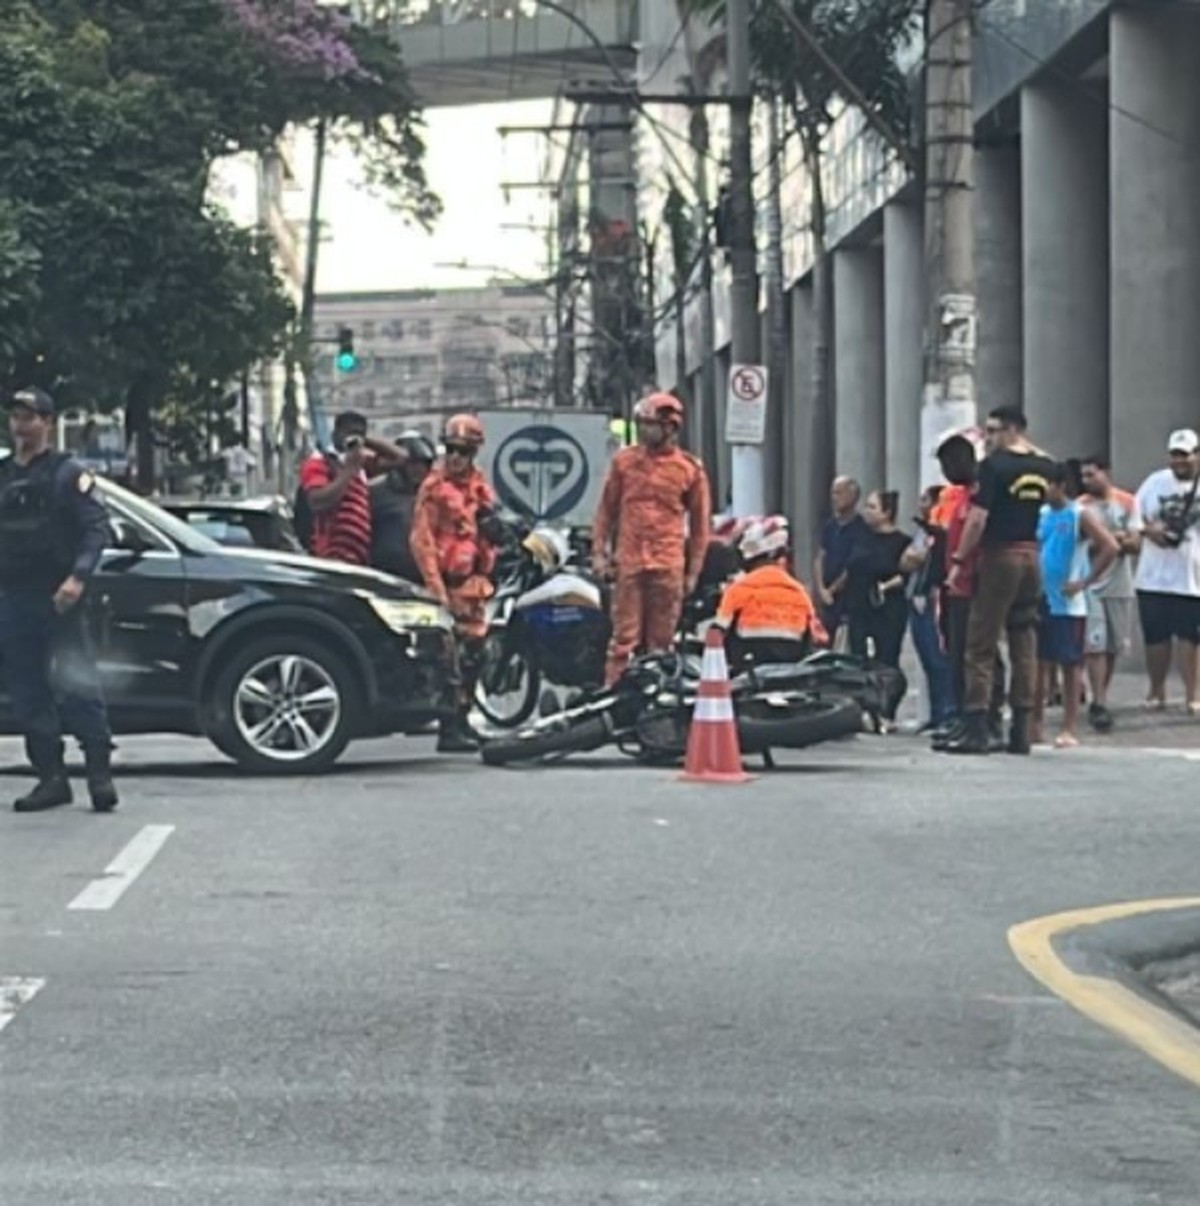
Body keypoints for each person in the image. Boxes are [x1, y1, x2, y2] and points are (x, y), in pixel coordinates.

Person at [0, 387, 117, 813]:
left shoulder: (69, 474)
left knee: (78, 684)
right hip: (15, 597)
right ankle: (51, 778)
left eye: (29, 417)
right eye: (16, 416)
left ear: (47, 422)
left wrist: (78, 578)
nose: (21, 424)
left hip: (60, 597)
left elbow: (96, 529)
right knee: (28, 691)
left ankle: (99, 776)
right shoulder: (4, 475)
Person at [944, 406, 1057, 755]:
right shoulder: (1045, 466)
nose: (988, 438)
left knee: (981, 641)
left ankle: (976, 725)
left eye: (993, 431)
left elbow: (978, 520)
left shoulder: (994, 467)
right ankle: (1021, 728)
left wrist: (959, 560)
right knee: (1024, 638)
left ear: (1011, 429)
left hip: (1000, 555)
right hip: (1032, 555)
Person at [592, 392, 711, 685]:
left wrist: (693, 572)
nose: (644, 431)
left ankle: (657, 699)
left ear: (670, 428)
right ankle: (613, 695)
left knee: (661, 644)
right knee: (623, 641)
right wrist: (599, 552)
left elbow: (699, 527)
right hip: (629, 562)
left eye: (650, 424)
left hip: (668, 564)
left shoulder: (689, 470)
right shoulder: (624, 463)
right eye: (641, 424)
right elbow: (605, 512)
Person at [410, 414, 498, 752]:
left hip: (473, 585)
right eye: (451, 449)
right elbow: (423, 541)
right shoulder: (435, 488)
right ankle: (449, 727)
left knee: (475, 656)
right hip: (447, 585)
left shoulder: (479, 486)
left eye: (463, 450)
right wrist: (436, 591)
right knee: (451, 660)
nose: (456, 457)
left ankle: (462, 720)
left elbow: (485, 533)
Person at [1033, 463, 1119, 748]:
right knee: (1039, 663)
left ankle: (1069, 726)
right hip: (1042, 598)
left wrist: (1085, 580)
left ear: (1060, 486)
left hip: (1068, 603)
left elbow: (1109, 546)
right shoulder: (1042, 514)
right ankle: (1036, 724)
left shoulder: (1078, 514)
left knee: (1070, 665)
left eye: (1047, 485)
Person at [1133, 428, 1200, 714]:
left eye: (1184, 455)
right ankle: (1156, 689)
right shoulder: (1154, 483)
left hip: (1192, 574)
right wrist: (1151, 530)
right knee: (1156, 637)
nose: (1179, 461)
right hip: (1154, 575)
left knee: (1191, 638)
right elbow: (1135, 519)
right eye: (1175, 455)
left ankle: (1192, 694)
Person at [1079, 455, 1140, 730]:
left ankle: (1100, 692)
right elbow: (1083, 544)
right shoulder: (1081, 507)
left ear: (1105, 473)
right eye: (1084, 476)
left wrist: (1110, 540)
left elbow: (1135, 543)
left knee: (1114, 644)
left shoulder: (1126, 502)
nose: (1087, 480)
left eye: (1092, 474)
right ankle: (1099, 701)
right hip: (1090, 581)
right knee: (1095, 644)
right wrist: (1109, 540)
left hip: (1119, 582)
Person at [714, 515, 826, 667]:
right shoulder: (800, 592)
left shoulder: (739, 589)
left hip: (747, 669)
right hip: (791, 670)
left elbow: (718, 632)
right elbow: (817, 637)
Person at [299, 410, 404, 565]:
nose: (352, 438)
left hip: (358, 555)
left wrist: (364, 441)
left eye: (359, 433)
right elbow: (317, 502)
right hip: (331, 553)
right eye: (348, 432)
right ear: (335, 433)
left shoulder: (360, 464)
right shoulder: (320, 462)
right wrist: (348, 471)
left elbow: (400, 457)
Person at [901, 486, 955, 732]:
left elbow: (921, 559)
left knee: (937, 658)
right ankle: (935, 712)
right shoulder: (922, 532)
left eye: (926, 499)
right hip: (915, 596)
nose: (921, 503)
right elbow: (906, 560)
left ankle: (945, 712)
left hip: (930, 597)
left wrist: (916, 557)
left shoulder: (939, 534)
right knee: (926, 658)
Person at [844, 490, 910, 668]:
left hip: (887, 611)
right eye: (866, 506)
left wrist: (885, 586)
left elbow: (907, 576)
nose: (867, 511)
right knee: (857, 659)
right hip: (858, 607)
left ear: (886, 513)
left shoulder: (901, 542)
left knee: (886, 660)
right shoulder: (860, 537)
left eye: (873, 507)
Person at [368, 430, 436, 581]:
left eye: (423, 463)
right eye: (412, 463)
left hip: (428, 579)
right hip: (384, 578)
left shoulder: (439, 495)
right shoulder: (375, 493)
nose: (418, 469)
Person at [813, 476, 868, 644]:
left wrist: (832, 590)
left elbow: (853, 565)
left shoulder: (861, 527)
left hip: (848, 598)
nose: (834, 498)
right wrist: (821, 589)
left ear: (853, 496)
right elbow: (820, 556)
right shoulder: (830, 526)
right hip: (827, 599)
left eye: (839, 493)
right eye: (833, 493)